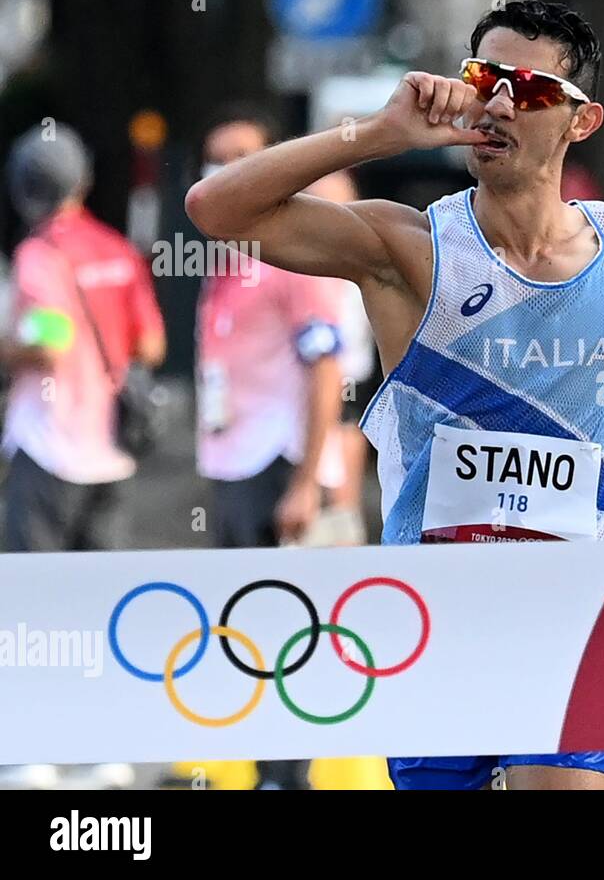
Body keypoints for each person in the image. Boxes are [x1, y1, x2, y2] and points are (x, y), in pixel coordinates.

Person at [186, 0, 604, 790]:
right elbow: (215, 208)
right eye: (488, 78)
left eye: (534, 89)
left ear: (582, 122)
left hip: (569, 609)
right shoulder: (406, 246)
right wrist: (376, 134)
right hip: (433, 616)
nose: (502, 101)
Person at [194, 107, 345, 791]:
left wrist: (307, 481)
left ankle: (290, 777)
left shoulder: (290, 256)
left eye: (241, 157)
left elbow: (324, 368)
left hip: (278, 465)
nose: (224, 171)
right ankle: (265, 772)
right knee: (243, 633)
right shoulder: (224, 262)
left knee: (288, 631)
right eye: (215, 158)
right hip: (231, 464)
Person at [2, 124, 166, 552]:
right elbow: (150, 346)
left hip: (48, 449)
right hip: (111, 453)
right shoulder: (117, 249)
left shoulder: (39, 254)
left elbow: (49, 342)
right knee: (101, 597)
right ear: (84, 181)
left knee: (39, 599)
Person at [304, 170, 376, 547]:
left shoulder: (365, 269)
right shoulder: (288, 269)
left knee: (341, 520)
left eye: (338, 209)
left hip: (347, 400)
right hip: (296, 406)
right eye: (317, 208)